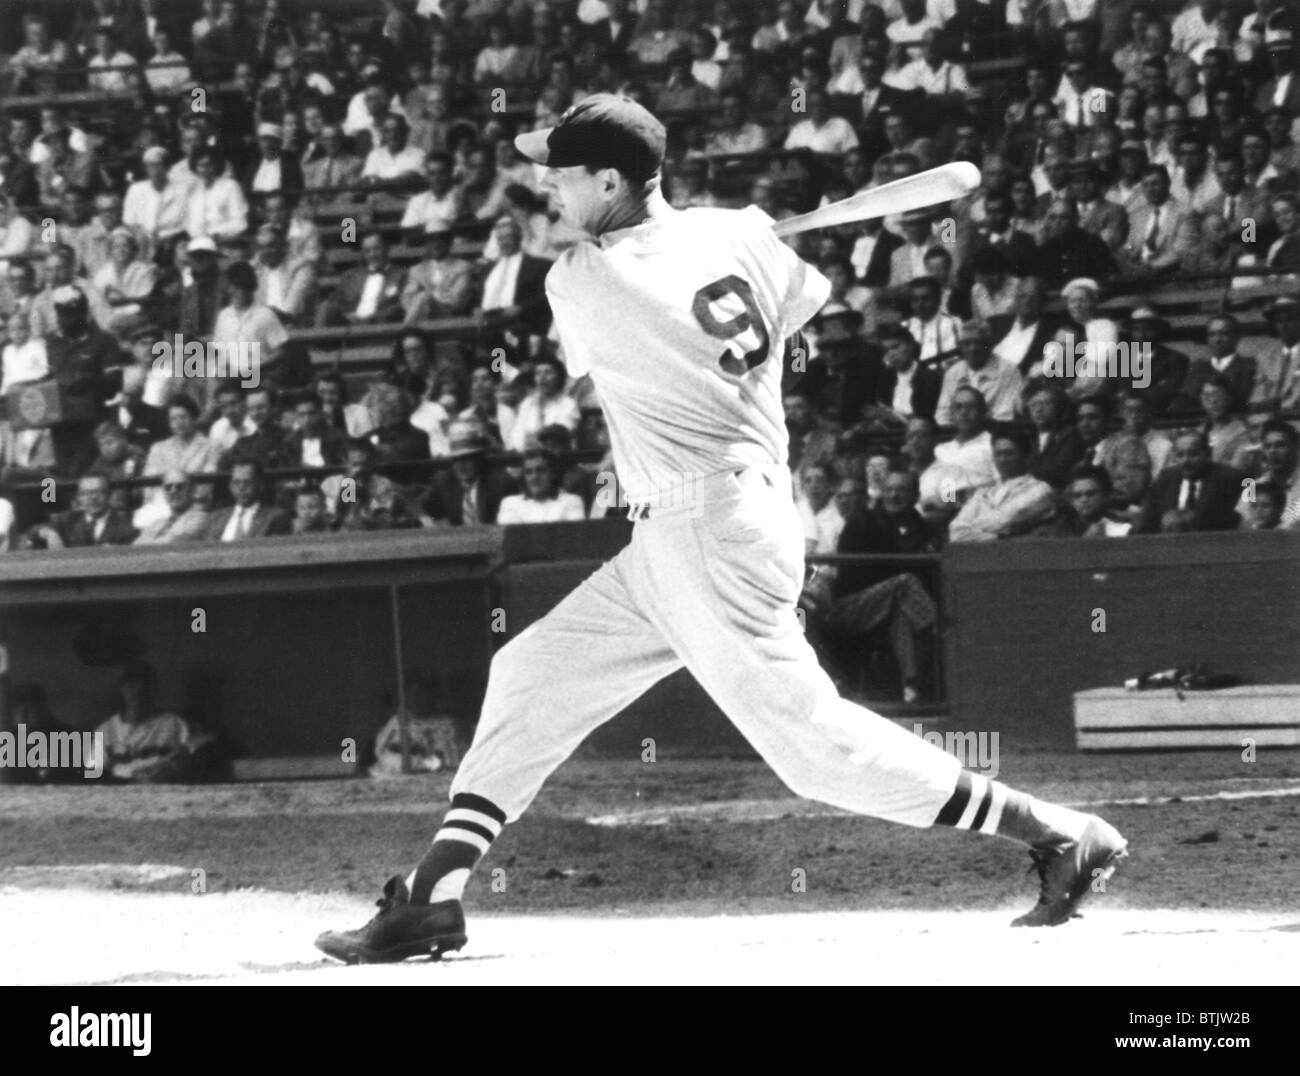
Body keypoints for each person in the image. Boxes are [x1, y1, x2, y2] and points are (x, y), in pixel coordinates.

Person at [316, 94, 1128, 965]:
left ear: (612, 180)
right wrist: (721, 237)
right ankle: (433, 898)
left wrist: (697, 243)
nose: (549, 188)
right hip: (697, 527)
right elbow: (784, 309)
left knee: (815, 751)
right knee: (531, 676)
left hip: (707, 527)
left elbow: (646, 296)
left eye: (563, 174)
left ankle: (1059, 832)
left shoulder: (580, 279)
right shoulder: (740, 231)